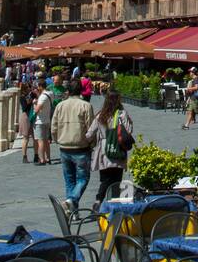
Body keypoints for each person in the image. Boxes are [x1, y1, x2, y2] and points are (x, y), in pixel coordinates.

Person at [51, 79, 95, 214]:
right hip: (81, 147)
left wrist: (56, 139)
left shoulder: (60, 106)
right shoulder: (86, 106)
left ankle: (72, 211)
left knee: (69, 180)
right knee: (83, 178)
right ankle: (72, 201)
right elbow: (91, 129)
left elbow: (54, 127)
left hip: (64, 147)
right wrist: (92, 143)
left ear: (68, 91)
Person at [87, 90, 134, 206]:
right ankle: (110, 202)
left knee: (105, 179)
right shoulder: (122, 114)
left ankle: (99, 200)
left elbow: (89, 134)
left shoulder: (100, 115)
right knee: (116, 179)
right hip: (117, 148)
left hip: (103, 150)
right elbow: (128, 131)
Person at [32, 77, 53, 165]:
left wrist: (34, 104)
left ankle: (42, 159)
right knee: (46, 141)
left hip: (40, 121)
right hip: (47, 120)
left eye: (38, 87)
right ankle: (48, 158)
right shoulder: (50, 94)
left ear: (40, 86)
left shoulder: (42, 97)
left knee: (40, 141)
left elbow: (37, 110)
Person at [18, 82, 36, 164]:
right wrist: (30, 101)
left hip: (32, 116)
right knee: (26, 138)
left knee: (35, 137)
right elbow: (24, 107)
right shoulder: (22, 97)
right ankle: (24, 156)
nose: (30, 89)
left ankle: (36, 155)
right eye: (29, 87)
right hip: (25, 116)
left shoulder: (32, 95)